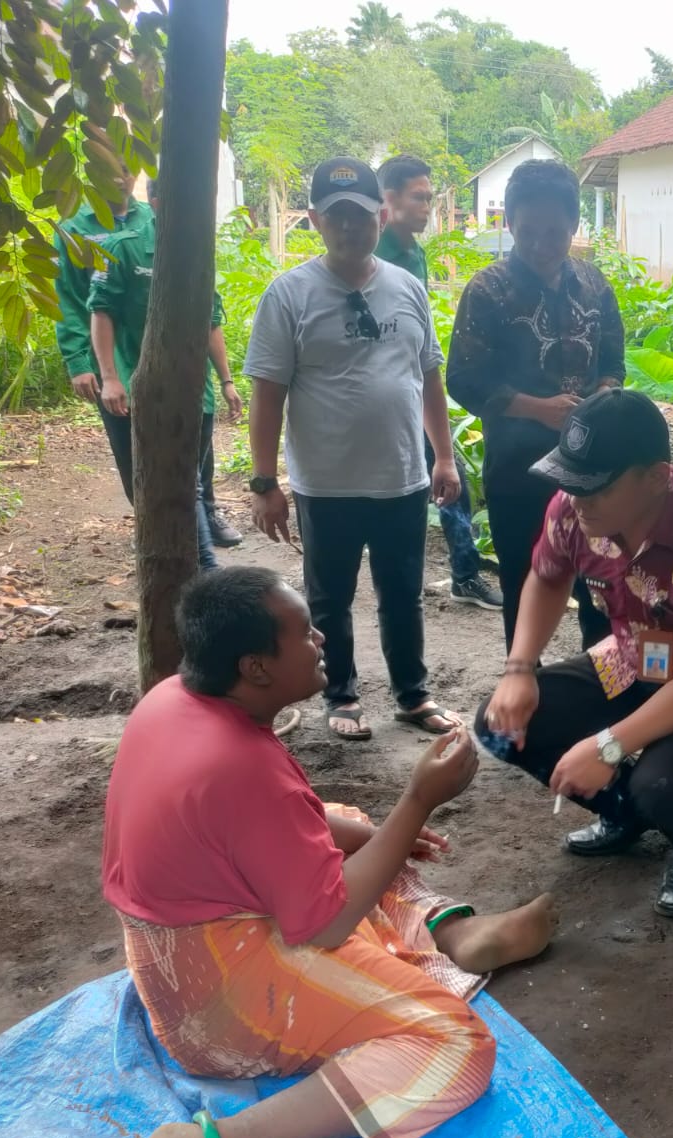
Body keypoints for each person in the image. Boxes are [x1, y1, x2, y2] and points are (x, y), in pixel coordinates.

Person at [105, 567, 557, 1138]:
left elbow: (280, 822)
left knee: (352, 828)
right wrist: (418, 802)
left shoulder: (175, 699)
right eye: (302, 632)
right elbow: (326, 924)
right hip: (216, 1006)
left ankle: (449, 932)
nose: (319, 638)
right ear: (256, 668)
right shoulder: (239, 765)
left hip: (187, 949)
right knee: (458, 1044)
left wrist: (380, 833)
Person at [476, 390, 673, 918]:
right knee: (502, 724)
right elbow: (547, 578)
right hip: (637, 652)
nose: (576, 500)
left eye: (596, 487)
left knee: (664, 783)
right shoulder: (574, 508)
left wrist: (608, 746)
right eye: (569, 481)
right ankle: (626, 811)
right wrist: (519, 669)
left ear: (655, 477)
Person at [244, 157, 462, 741]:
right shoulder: (289, 295)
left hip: (402, 478)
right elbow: (267, 396)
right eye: (336, 216)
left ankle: (412, 695)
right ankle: (340, 695)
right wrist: (265, 483)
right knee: (329, 600)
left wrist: (443, 456)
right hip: (326, 485)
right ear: (315, 219)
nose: (349, 227)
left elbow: (429, 378)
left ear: (380, 217)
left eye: (361, 215)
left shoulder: (407, 288)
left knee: (403, 597)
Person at [446, 159, 623, 652]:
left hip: (591, 468)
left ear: (574, 224)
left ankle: (603, 683)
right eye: (528, 232)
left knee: (602, 587)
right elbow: (463, 379)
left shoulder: (595, 286)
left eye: (554, 232)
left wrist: (602, 396)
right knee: (523, 585)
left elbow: (614, 361)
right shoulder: (486, 291)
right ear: (509, 223)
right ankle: (523, 683)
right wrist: (537, 408)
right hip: (517, 469)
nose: (541, 244)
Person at [53, 152, 241, 549]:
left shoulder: (158, 223)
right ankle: (152, 521)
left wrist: (226, 378)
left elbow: (209, 311)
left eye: (125, 169)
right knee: (134, 447)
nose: (118, 179)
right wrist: (82, 363)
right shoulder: (75, 229)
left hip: (180, 363)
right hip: (119, 359)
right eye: (108, 170)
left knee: (195, 443)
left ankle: (205, 512)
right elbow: (74, 302)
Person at [375, 154, 503, 614]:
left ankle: (463, 574)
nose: (427, 207)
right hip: (381, 402)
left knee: (452, 480)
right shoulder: (370, 253)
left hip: (416, 390)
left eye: (429, 198)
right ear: (387, 199)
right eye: (419, 197)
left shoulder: (415, 253)